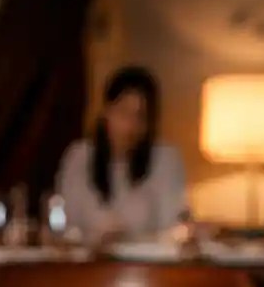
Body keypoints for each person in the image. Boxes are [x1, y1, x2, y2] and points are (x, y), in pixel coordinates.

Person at [57, 67, 187, 240]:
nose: (130, 126)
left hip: (146, 263)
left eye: (140, 116)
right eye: (123, 112)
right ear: (106, 111)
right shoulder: (79, 157)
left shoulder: (165, 159)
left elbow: (171, 227)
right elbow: (67, 224)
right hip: (87, 263)